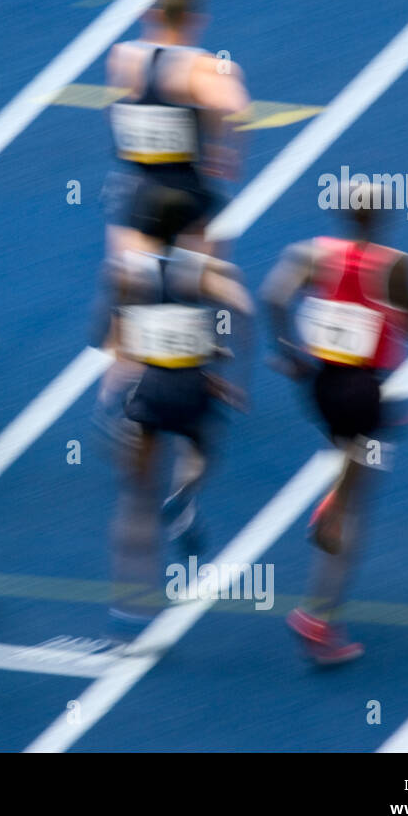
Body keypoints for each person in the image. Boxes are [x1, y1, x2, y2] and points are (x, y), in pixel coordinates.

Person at [262, 181, 408, 663]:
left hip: (320, 388)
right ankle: (318, 619)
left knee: (353, 452)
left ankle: (338, 492)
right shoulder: (399, 267)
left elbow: (273, 297)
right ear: (383, 217)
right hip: (364, 393)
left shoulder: (311, 255)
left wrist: (289, 352)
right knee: (355, 511)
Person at [97, 188, 252, 631]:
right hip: (189, 386)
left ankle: (128, 598)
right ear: (187, 229)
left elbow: (121, 335)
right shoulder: (203, 271)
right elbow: (242, 308)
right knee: (201, 448)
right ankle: (183, 496)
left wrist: (115, 386)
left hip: (147, 387)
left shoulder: (126, 273)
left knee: (133, 499)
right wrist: (230, 372)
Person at [102, 0, 248, 260]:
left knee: (128, 282)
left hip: (137, 189)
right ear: (195, 20)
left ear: (150, 14)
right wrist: (226, 152)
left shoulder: (122, 57)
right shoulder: (207, 67)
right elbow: (232, 105)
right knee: (205, 283)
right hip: (188, 191)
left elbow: (113, 107)